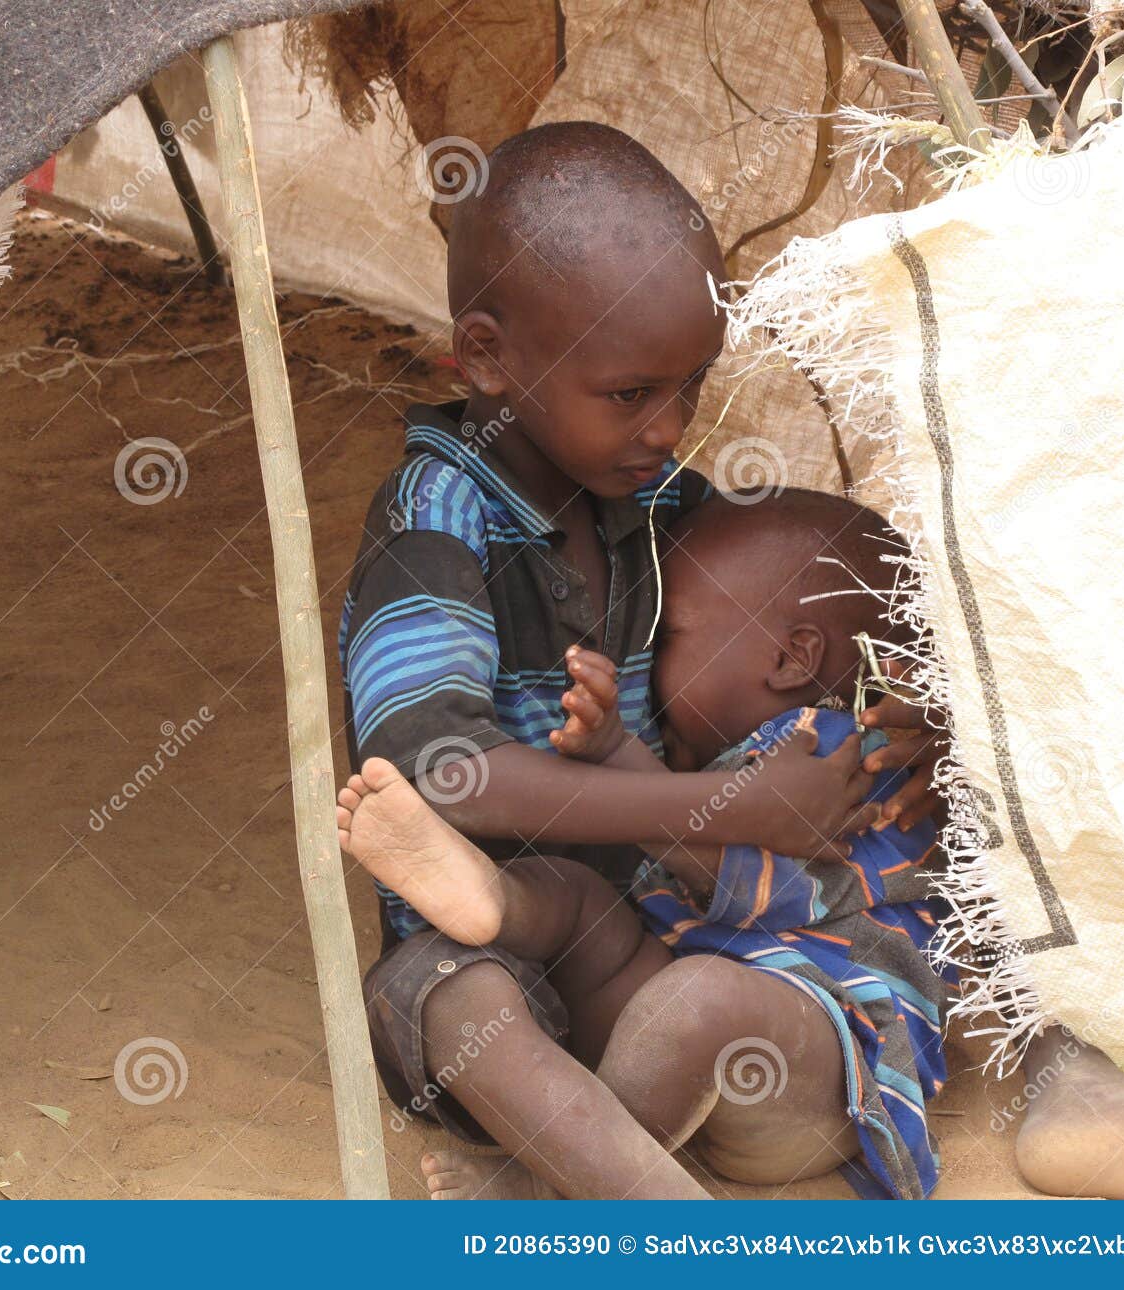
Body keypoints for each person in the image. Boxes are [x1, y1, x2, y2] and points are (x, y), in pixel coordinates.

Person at [338, 124, 909, 1200]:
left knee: (724, 996)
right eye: (628, 394)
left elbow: (833, 616)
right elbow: (434, 768)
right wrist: (729, 806)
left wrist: (907, 708)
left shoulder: (660, 508)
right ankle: (649, 1210)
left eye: (690, 387)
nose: (668, 426)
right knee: (446, 994)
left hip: (671, 950)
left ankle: (571, 1188)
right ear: (488, 356)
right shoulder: (434, 522)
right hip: (518, 960)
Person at [339, 490, 955, 1198]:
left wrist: (617, 753)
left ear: (791, 658)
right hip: (702, 1044)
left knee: (699, 997)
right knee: (578, 896)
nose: (650, 668)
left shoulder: (845, 756)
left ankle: (555, 1182)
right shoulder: (747, 755)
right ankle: (490, 899)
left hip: (822, 1061)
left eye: (672, 640)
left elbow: (738, 878)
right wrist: (620, 753)